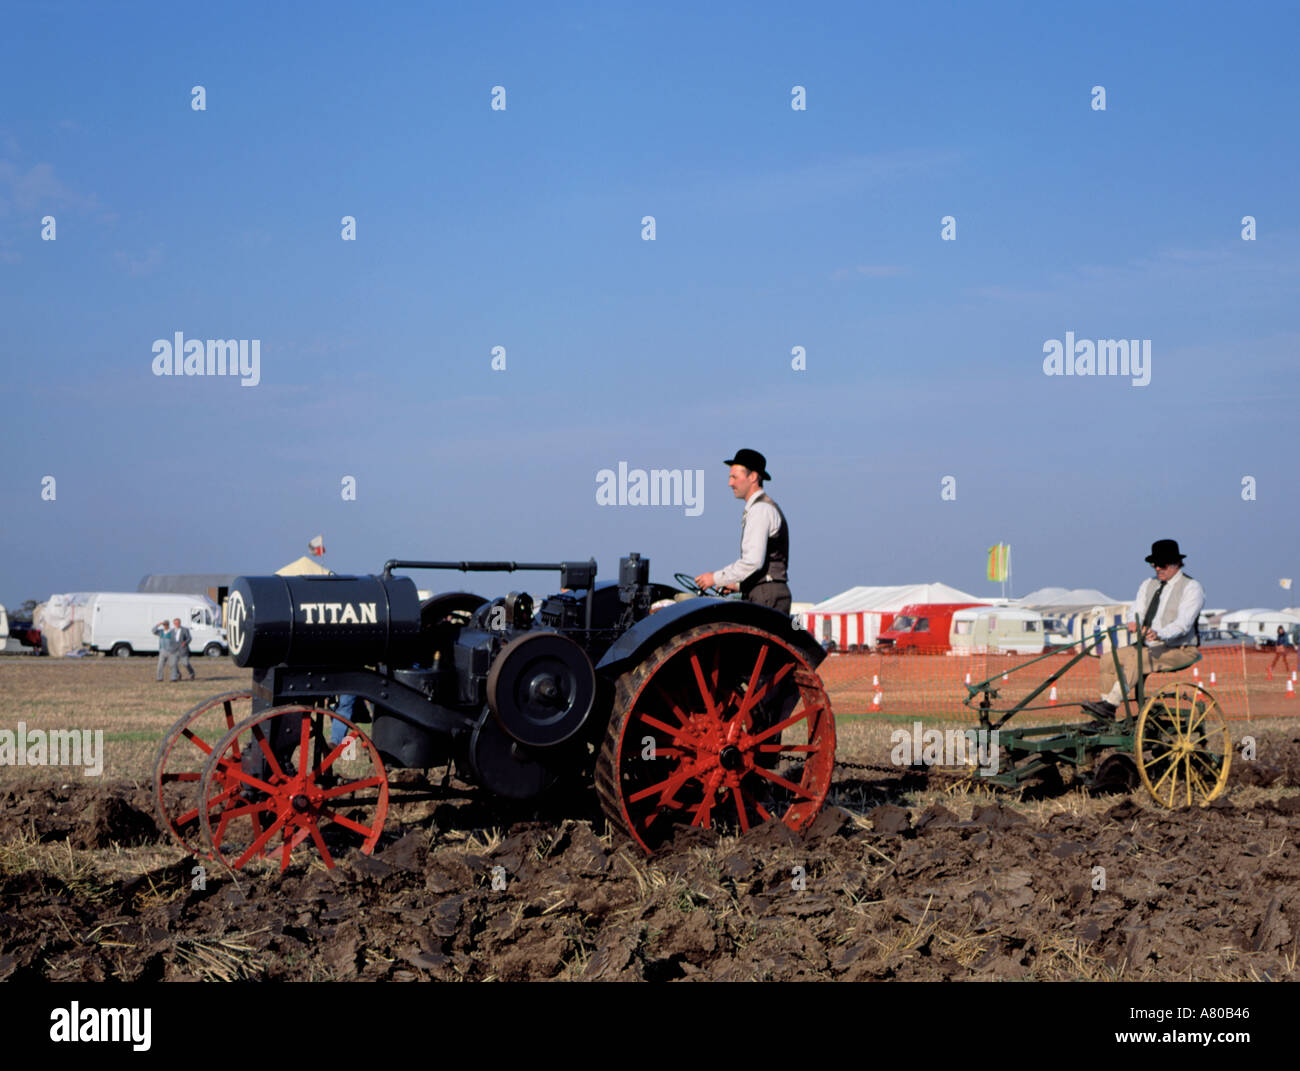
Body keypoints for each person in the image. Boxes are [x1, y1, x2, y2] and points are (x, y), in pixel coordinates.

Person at [1083, 539, 1204, 718]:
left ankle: (1110, 704)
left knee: (1136, 660)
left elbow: (1183, 624)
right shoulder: (1148, 584)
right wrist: (1133, 622)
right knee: (1108, 659)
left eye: (1162, 565)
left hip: (1180, 649)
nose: (1157, 569)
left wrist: (1159, 634)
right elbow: (1136, 610)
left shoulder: (1192, 587)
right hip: (1147, 646)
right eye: (1153, 564)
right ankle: (1105, 715)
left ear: (1176, 563)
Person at [694, 447, 791, 614]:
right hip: (766, 591)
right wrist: (738, 585)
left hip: (765, 594)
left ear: (753, 477)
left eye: (734, 477)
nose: (730, 483)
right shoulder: (763, 507)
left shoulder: (760, 510)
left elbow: (752, 562)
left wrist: (714, 578)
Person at [172, 616, 197, 681]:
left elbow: (189, 638)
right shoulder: (172, 631)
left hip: (183, 649)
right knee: (173, 664)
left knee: (186, 663)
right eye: (175, 623)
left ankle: (192, 673)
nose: (177, 624)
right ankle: (178, 675)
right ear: (174, 624)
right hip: (174, 650)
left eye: (178, 623)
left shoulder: (185, 630)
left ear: (180, 623)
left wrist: (185, 642)